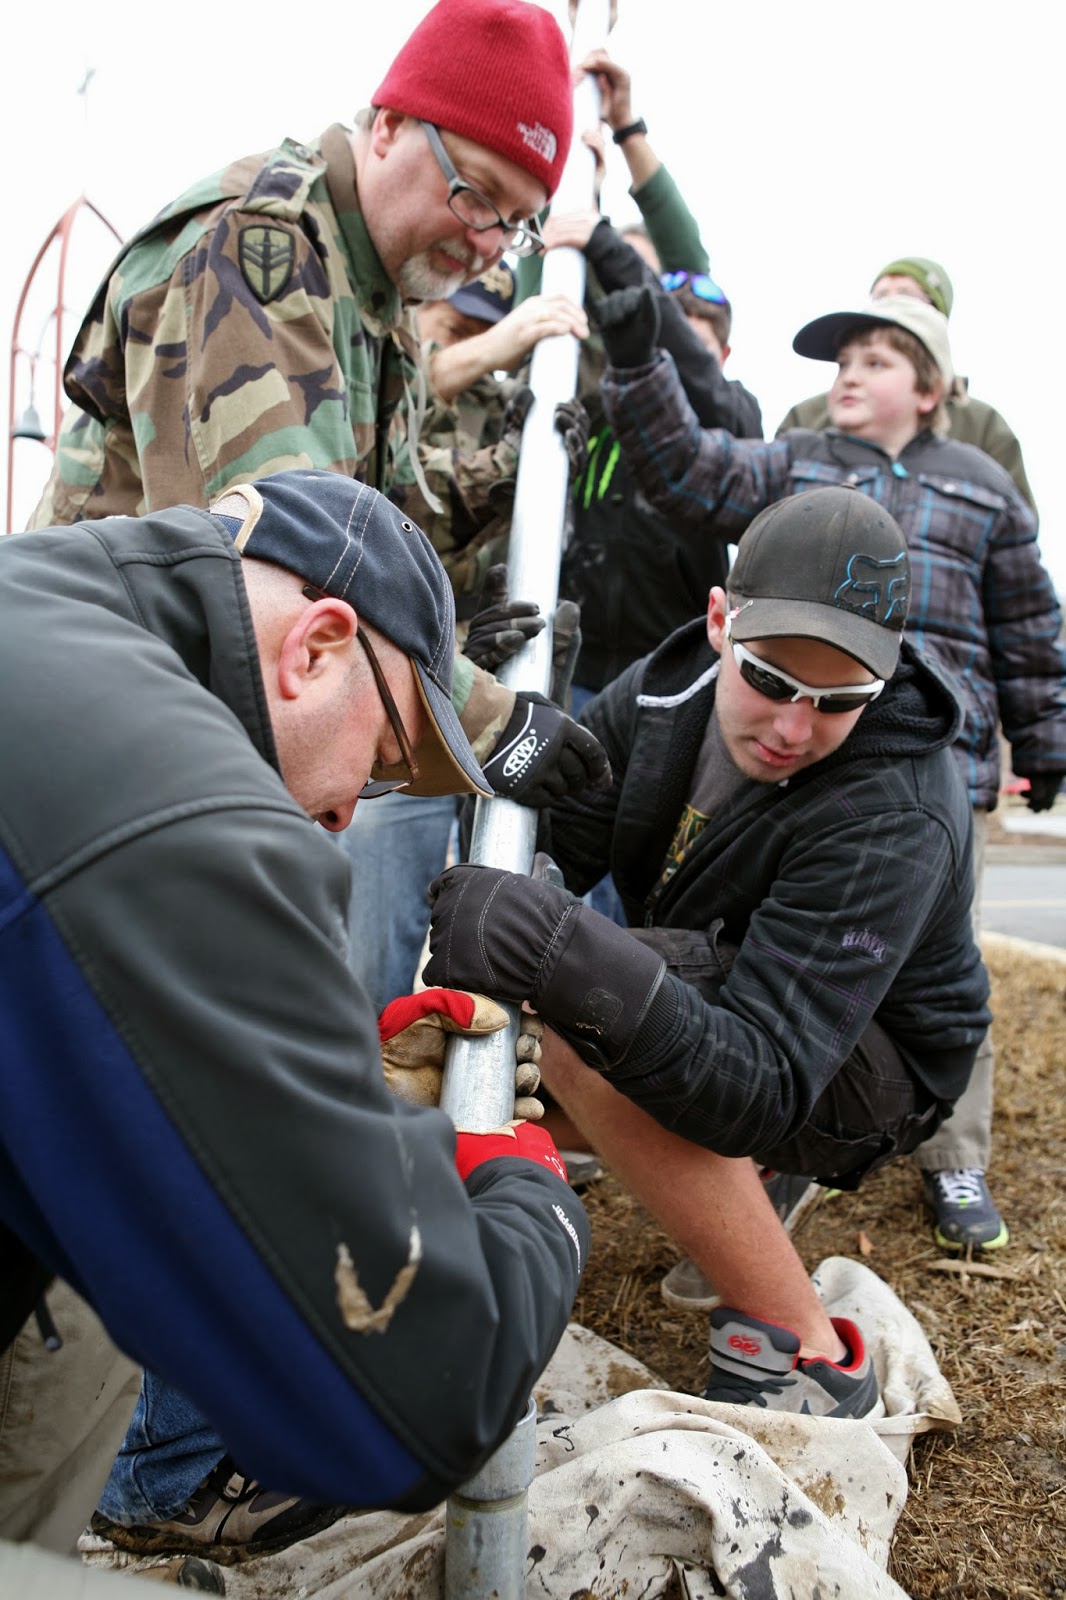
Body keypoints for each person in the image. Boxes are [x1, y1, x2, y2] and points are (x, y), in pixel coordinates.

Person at [0, 470, 589, 1584]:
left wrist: (329, 1097)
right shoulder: (161, 793)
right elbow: (407, 1406)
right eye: (380, 760)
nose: (345, 809)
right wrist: (525, 1192)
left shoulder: (51, 614)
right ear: (316, 646)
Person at [26, 0, 609, 1018]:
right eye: (474, 194)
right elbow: (296, 576)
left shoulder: (369, 291)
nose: (485, 244)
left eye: (512, 222)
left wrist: (490, 526)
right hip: (75, 750)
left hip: (156, 747)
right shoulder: (264, 246)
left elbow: (380, 516)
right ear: (387, 126)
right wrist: (490, 719)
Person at [422, 487, 992, 1418]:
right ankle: (746, 1182)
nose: (793, 728)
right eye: (770, 680)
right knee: (508, 1035)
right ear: (722, 621)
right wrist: (472, 725)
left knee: (573, 1007)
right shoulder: (666, 686)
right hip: (736, 977)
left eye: (840, 701)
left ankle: (809, 1357)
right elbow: (550, 843)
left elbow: (765, 1079)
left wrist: (561, 955)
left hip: (873, 1062)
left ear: (880, 687)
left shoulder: (897, 811)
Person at [579, 281, 1066, 1255]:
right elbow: (684, 468)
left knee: (925, 962)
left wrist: (1044, 739)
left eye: (875, 360)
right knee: (780, 951)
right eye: (839, 360)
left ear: (929, 388)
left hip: (935, 769)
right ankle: (774, 1131)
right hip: (808, 778)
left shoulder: (980, 484)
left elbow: (1024, 622)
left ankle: (951, 1157)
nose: (846, 374)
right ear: (724, 624)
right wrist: (637, 362)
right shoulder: (795, 462)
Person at [777, 256, 1037, 509]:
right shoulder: (807, 418)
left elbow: (1015, 530)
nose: (889, 303)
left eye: (905, 295)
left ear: (937, 316)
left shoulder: (983, 424)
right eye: (879, 296)